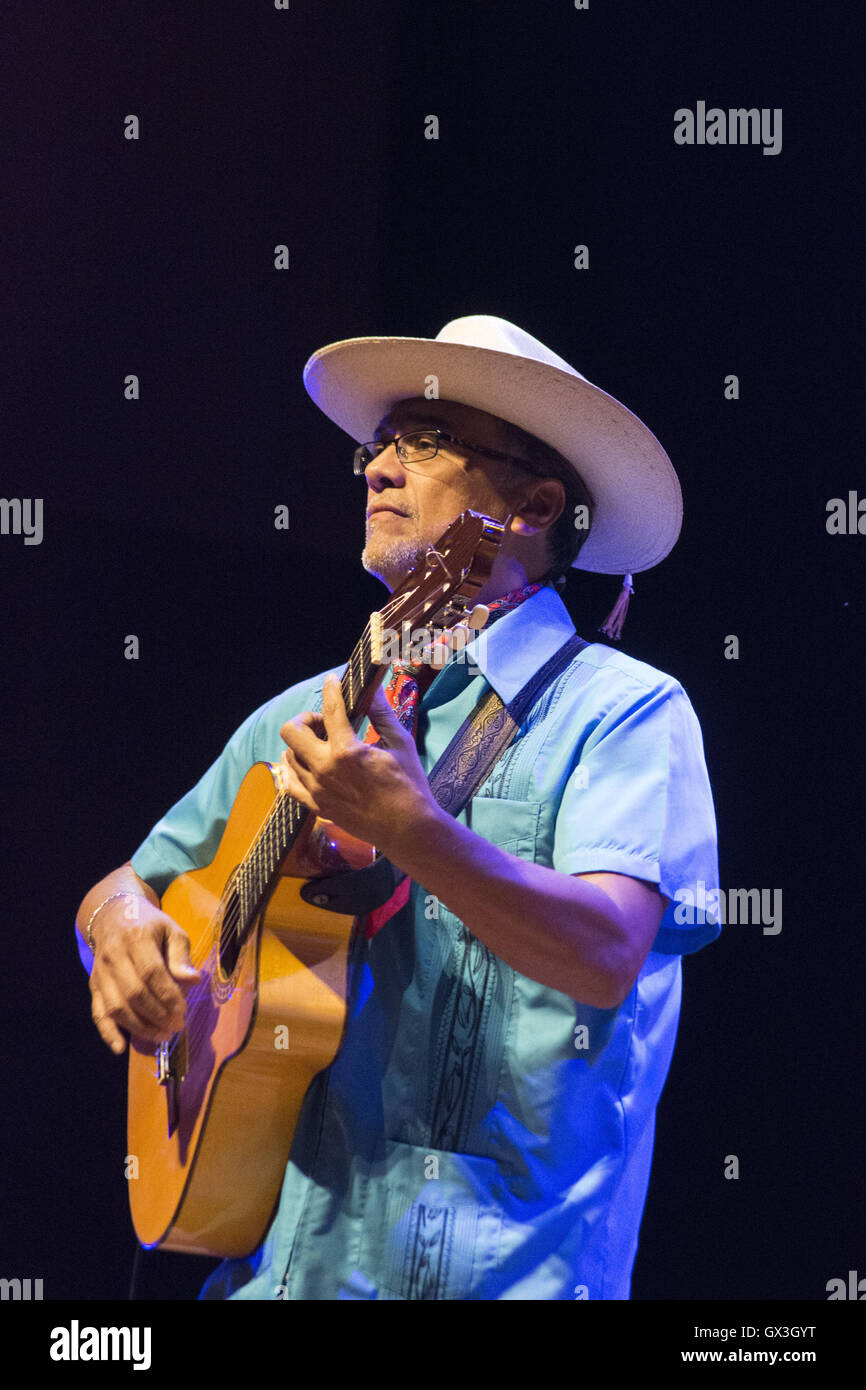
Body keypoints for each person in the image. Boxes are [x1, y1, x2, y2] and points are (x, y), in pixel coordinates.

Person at [76, 315, 721, 1300]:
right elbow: (129, 885)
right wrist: (118, 929)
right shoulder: (305, 717)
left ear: (534, 505)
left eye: (425, 441)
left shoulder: (625, 711)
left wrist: (408, 830)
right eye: (379, 445)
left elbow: (605, 952)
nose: (376, 467)